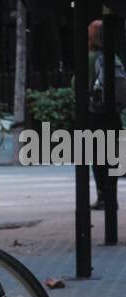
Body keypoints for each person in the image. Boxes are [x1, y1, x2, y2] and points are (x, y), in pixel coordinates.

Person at [88, 19, 121, 211]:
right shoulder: (112, 57)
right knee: (112, 158)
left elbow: (80, 86)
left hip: (95, 114)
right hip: (113, 114)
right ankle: (112, 197)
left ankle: (102, 195)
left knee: (98, 158)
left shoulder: (91, 58)